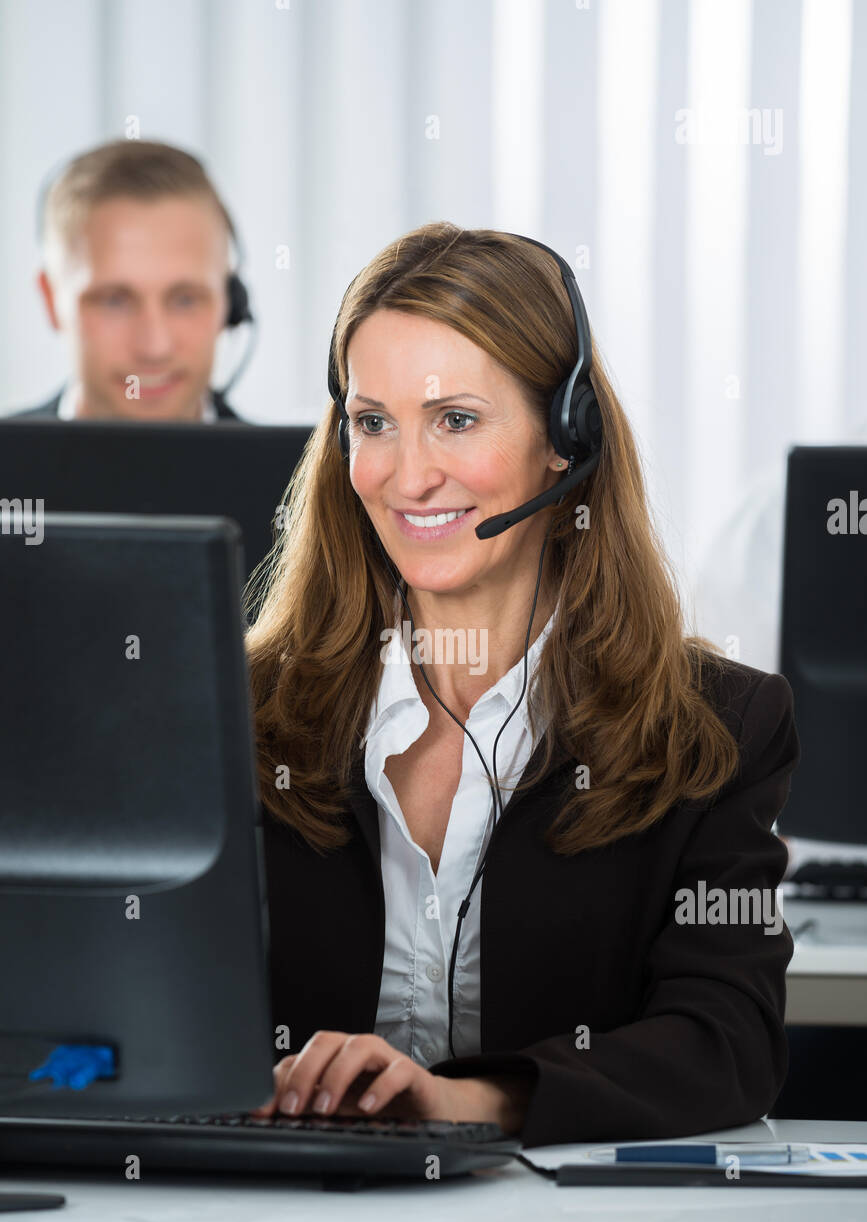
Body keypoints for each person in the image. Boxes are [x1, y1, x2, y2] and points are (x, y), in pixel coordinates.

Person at [246, 222, 800, 1148]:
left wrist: (466, 1103)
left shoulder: (716, 725)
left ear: (564, 439)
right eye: (373, 423)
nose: (408, 476)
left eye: (455, 420)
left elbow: (725, 1045)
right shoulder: (232, 711)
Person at [13, 139, 251, 422]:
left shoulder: (284, 456)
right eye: (114, 301)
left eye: (185, 300)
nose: (155, 348)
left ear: (229, 301)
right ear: (51, 300)